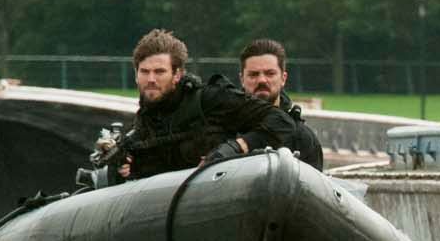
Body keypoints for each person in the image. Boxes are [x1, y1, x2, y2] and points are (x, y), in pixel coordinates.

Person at [118, 29, 297, 180]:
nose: (151, 79)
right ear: (136, 74)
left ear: (177, 74)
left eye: (159, 72)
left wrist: (234, 148)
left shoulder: (210, 100)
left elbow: (281, 121)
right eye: (145, 72)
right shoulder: (141, 126)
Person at [228, 38, 324, 170]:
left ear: (283, 78)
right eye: (253, 74)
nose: (262, 80)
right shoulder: (224, 130)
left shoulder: (302, 138)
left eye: (270, 73)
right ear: (242, 79)